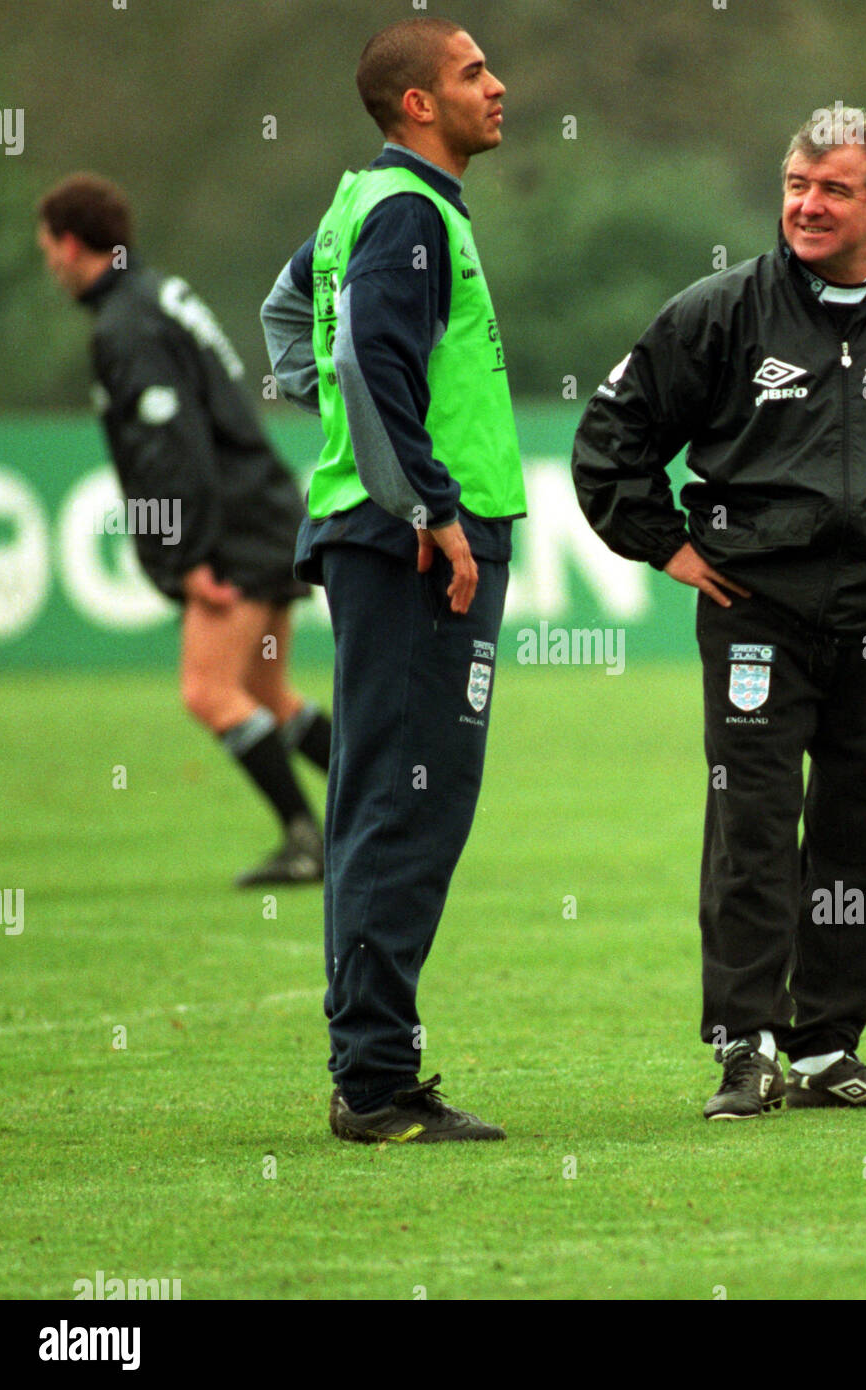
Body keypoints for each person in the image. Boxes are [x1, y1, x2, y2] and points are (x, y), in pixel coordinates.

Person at [572, 107, 866, 1119]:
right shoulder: (718, 312)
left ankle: (828, 1046)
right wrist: (665, 544)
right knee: (752, 825)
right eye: (795, 183)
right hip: (755, 609)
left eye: (832, 188)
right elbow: (611, 437)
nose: (806, 204)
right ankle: (744, 1048)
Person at [261, 18, 525, 1144]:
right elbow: (368, 352)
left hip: (390, 531)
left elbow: (292, 318)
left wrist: (339, 428)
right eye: (472, 73)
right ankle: (371, 1078)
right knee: (402, 803)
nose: (497, 85)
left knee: (393, 796)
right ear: (417, 104)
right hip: (411, 544)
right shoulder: (409, 213)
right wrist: (425, 502)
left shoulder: (359, 206)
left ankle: (376, 1065)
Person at [36, 174, 331, 888]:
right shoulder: (156, 293)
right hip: (263, 506)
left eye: (48, 247)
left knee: (209, 691)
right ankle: (398, 807)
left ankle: (308, 841)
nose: (49, 263)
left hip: (229, 526)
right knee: (265, 689)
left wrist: (188, 552)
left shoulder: (124, 324)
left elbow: (174, 444)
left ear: (72, 245)